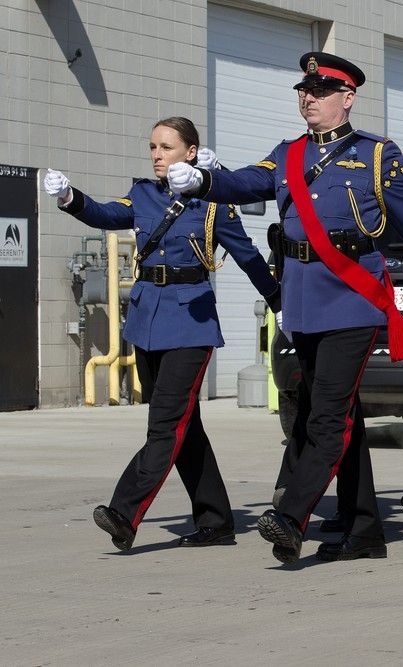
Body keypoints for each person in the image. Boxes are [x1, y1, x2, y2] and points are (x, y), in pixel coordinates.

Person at [168, 52, 403, 563]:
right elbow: (246, 181)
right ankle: (363, 531)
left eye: (319, 91)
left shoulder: (378, 156)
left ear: (347, 98)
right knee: (337, 417)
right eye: (303, 91)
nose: (308, 99)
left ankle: (292, 515)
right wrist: (201, 181)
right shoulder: (288, 154)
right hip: (303, 301)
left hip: (353, 300)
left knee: (326, 418)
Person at [44, 116, 281, 551]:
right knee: (185, 428)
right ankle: (216, 520)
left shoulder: (212, 204)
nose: (156, 155)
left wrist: (280, 303)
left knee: (166, 424)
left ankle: (124, 512)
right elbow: (106, 214)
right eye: (153, 146)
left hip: (191, 324)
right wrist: (69, 196)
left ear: (191, 153)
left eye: (166, 147)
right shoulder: (143, 193)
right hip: (146, 322)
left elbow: (247, 256)